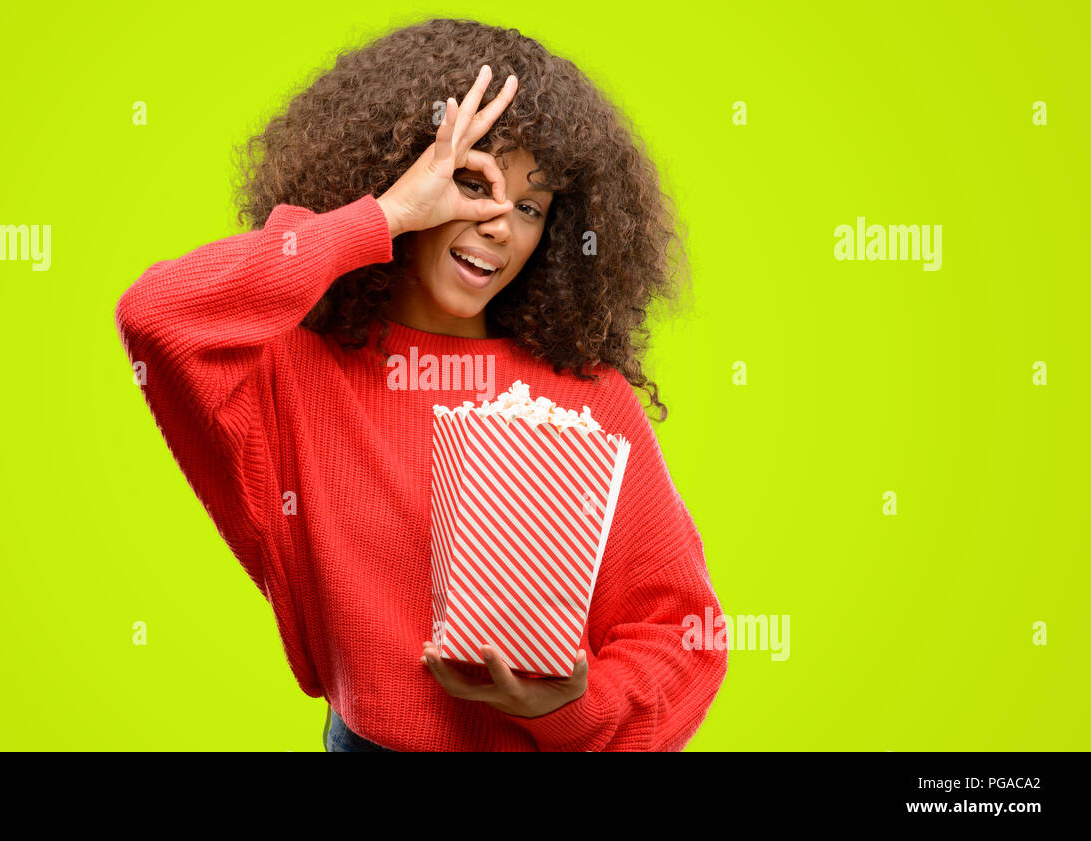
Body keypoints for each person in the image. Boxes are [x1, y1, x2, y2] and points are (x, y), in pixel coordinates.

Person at [114, 18, 727, 751]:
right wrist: (384, 216)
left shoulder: (584, 396)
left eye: (531, 208)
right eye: (471, 182)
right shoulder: (295, 369)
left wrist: (573, 705)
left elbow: (681, 635)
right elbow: (158, 317)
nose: (499, 225)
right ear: (404, 172)